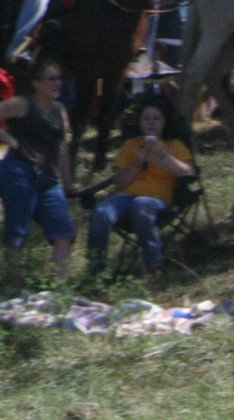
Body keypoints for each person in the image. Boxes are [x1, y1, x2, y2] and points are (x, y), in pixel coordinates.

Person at [85, 96, 195, 280]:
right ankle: (94, 274)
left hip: (156, 199)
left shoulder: (174, 145)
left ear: (164, 121)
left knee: (141, 205)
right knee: (101, 212)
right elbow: (119, 184)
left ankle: (153, 269)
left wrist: (164, 155)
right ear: (140, 122)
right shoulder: (131, 145)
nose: (150, 123)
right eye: (146, 118)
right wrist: (136, 164)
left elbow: (188, 173)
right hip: (125, 197)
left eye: (156, 118)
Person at [0, 60, 76, 283]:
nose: (57, 83)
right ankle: (15, 285)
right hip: (19, 170)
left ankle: (60, 290)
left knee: (63, 232)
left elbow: (62, 147)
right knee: (18, 229)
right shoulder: (22, 104)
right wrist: (10, 140)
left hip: (49, 177)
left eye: (59, 79)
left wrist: (69, 181)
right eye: (50, 79)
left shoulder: (60, 110)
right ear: (36, 84)